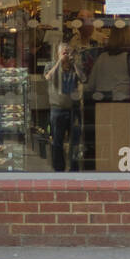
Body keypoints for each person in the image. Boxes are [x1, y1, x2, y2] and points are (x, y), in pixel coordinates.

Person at [44, 42, 85, 172]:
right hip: (57, 109)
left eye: (69, 52)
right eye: (64, 52)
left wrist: (73, 64)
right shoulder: (51, 65)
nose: (66, 55)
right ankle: (59, 169)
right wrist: (59, 62)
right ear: (58, 53)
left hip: (74, 109)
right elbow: (48, 77)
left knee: (75, 142)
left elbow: (83, 78)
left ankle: (74, 169)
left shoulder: (75, 66)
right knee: (57, 141)